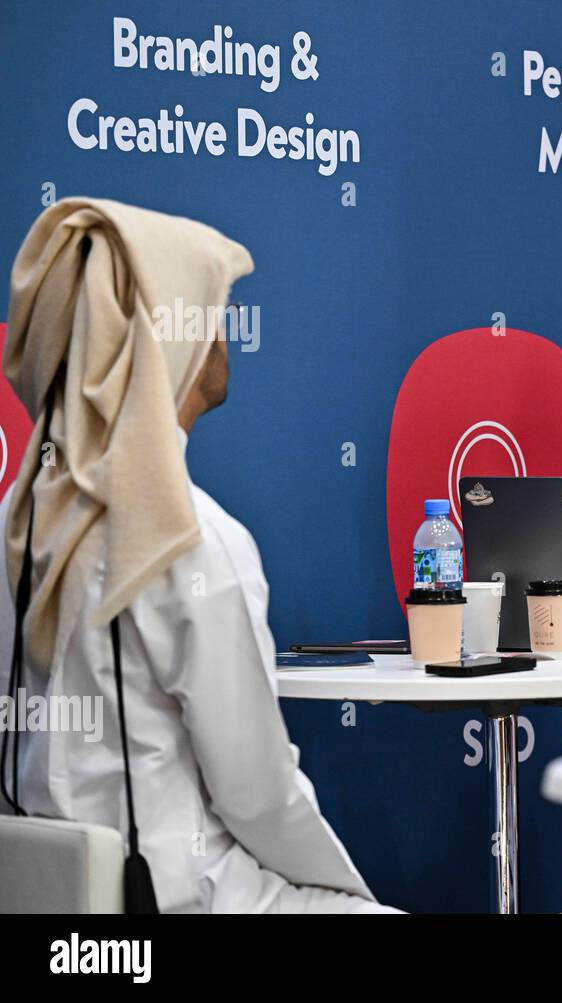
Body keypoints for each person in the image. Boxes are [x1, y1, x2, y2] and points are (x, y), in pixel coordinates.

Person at [0, 198, 399, 913]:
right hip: (176, 896)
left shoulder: (18, 519)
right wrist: (351, 890)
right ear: (167, 332)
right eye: (211, 309)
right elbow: (258, 794)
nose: (224, 334)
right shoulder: (191, 538)